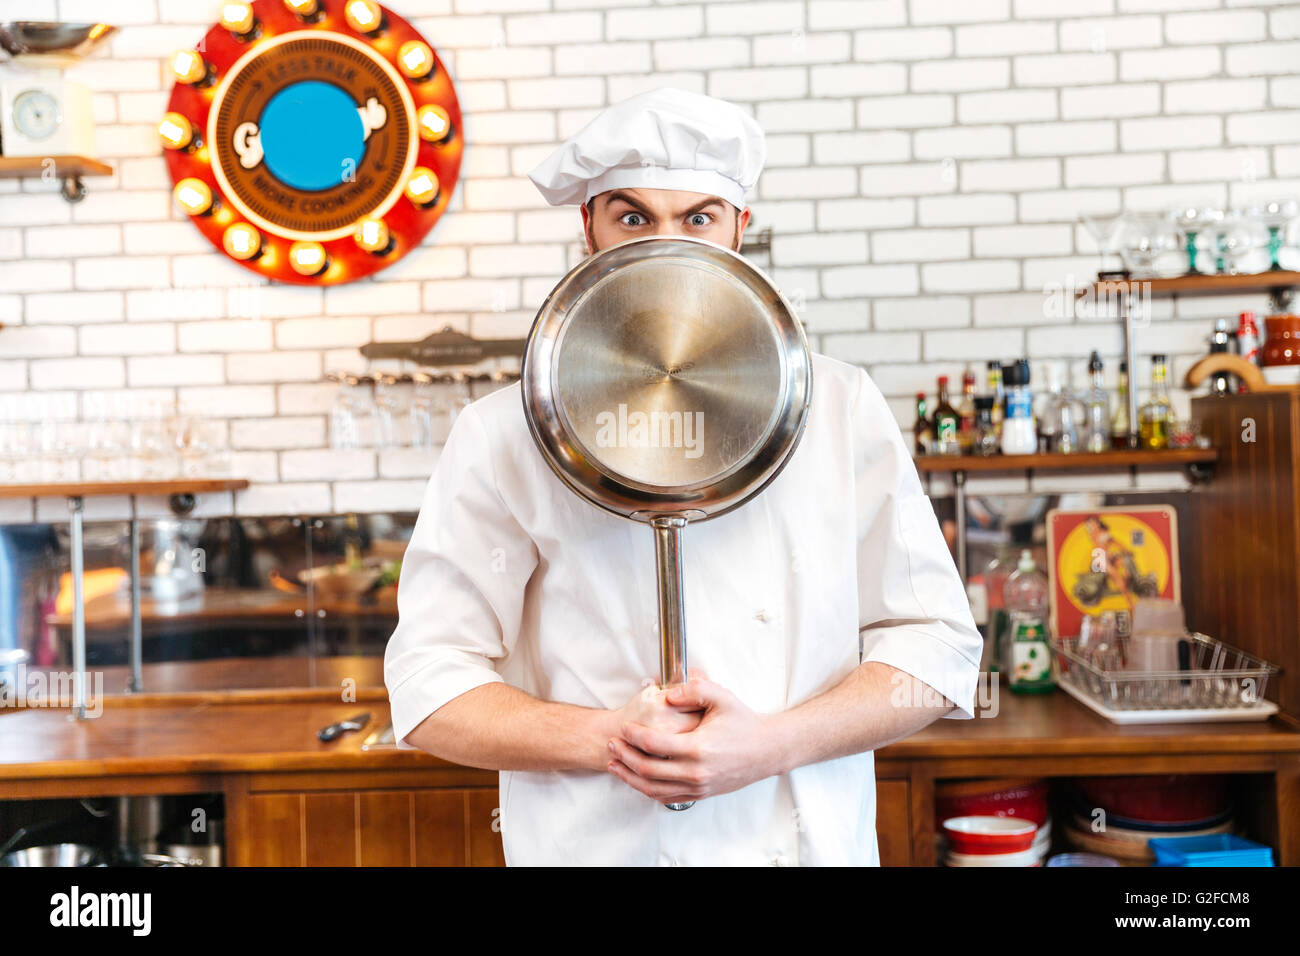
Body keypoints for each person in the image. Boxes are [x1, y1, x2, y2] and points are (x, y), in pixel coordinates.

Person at [385, 87, 982, 866]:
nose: (666, 248)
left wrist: (770, 746)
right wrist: (607, 739)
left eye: (698, 218)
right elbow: (429, 684)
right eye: (633, 218)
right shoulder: (503, 431)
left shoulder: (840, 407)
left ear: (740, 230)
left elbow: (937, 649)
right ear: (588, 230)